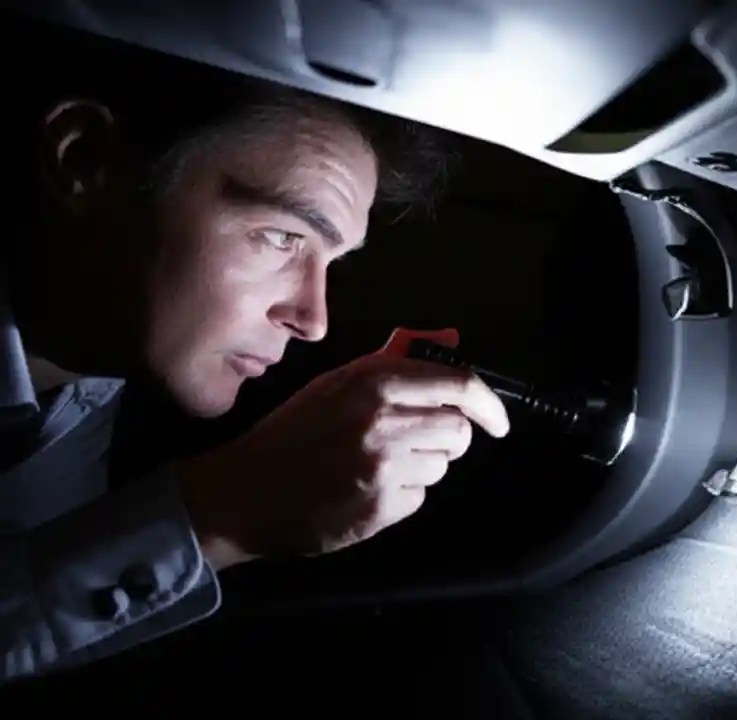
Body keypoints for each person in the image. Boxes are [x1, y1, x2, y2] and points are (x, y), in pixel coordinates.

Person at [0, 35, 510, 681]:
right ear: (86, 158)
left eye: (332, 263)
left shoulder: (96, 372)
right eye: (281, 237)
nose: (313, 320)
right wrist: (220, 512)